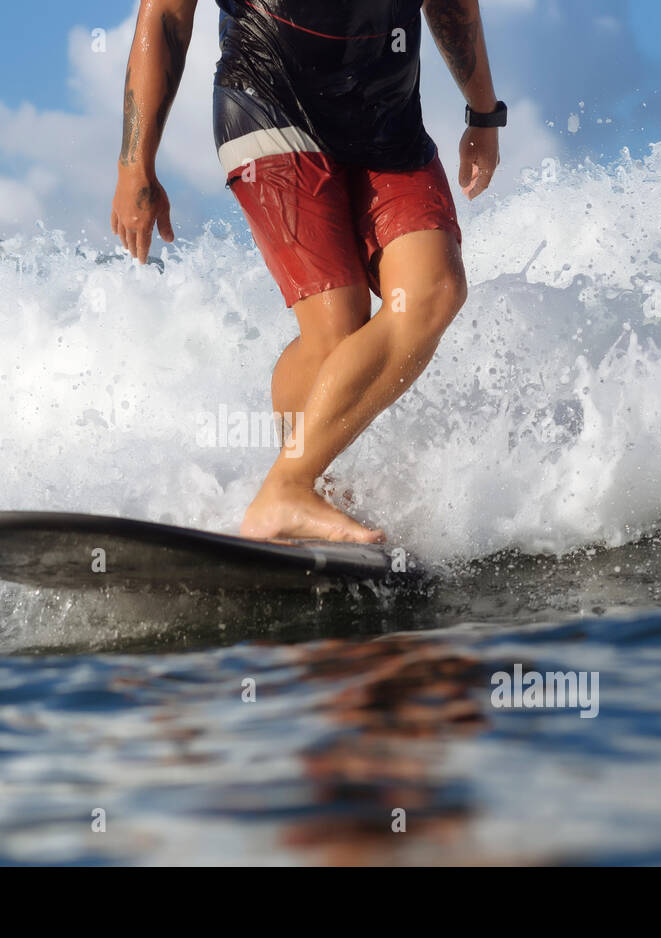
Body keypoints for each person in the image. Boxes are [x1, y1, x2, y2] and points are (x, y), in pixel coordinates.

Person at [111, 0, 503, 542]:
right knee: (336, 327)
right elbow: (167, 16)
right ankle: (295, 488)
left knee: (434, 292)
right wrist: (136, 162)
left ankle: (290, 488)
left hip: (388, 124)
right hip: (269, 106)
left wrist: (483, 113)